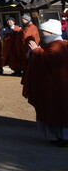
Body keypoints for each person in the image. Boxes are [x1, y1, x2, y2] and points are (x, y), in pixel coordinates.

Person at [21, 19, 68, 147]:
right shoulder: (55, 45)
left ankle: (64, 138)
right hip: (52, 86)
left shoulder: (59, 46)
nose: (42, 35)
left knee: (60, 111)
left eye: (43, 33)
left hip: (58, 87)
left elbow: (52, 61)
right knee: (56, 111)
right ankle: (60, 137)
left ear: (51, 33)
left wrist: (37, 51)